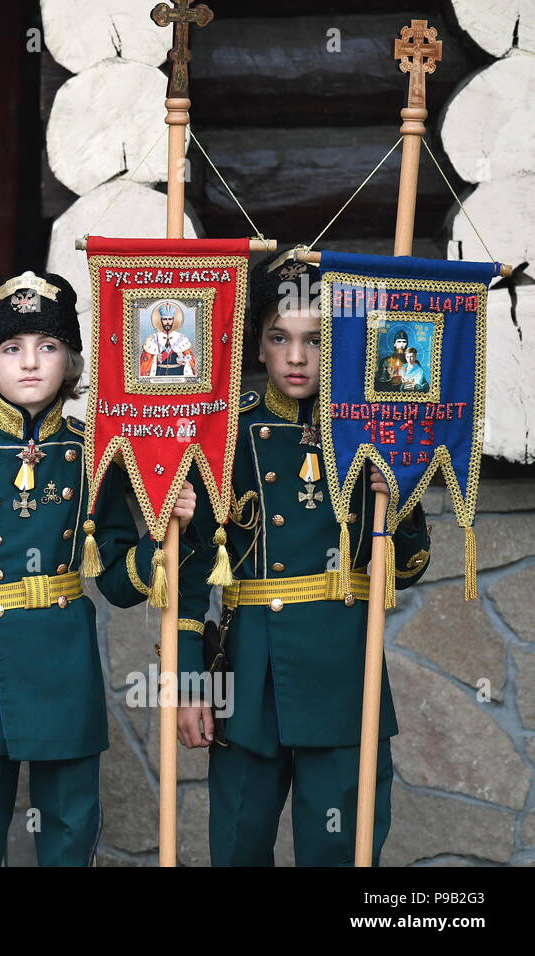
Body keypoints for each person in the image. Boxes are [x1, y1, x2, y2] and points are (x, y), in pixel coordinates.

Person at [0, 271, 200, 866]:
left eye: (48, 346)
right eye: (12, 348)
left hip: (64, 662)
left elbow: (116, 580)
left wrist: (166, 539)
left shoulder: (95, 452)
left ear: (71, 359)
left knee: (70, 823)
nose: (30, 363)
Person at [177, 257, 433, 866]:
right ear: (257, 346)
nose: (296, 356)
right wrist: (189, 685)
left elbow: (409, 566)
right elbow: (187, 578)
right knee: (237, 846)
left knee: (339, 850)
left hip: (343, 672)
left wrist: (391, 499)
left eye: (315, 338)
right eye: (279, 337)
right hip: (247, 673)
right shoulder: (223, 436)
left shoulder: (372, 432)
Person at [140, 300, 197, 379]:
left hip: (178, 374)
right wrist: (156, 358)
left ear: (174, 320)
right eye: (164, 319)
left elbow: (191, 360)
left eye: (170, 319)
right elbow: (144, 361)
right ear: (160, 320)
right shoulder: (152, 339)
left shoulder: (181, 339)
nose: (167, 322)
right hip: (159, 375)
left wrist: (185, 360)